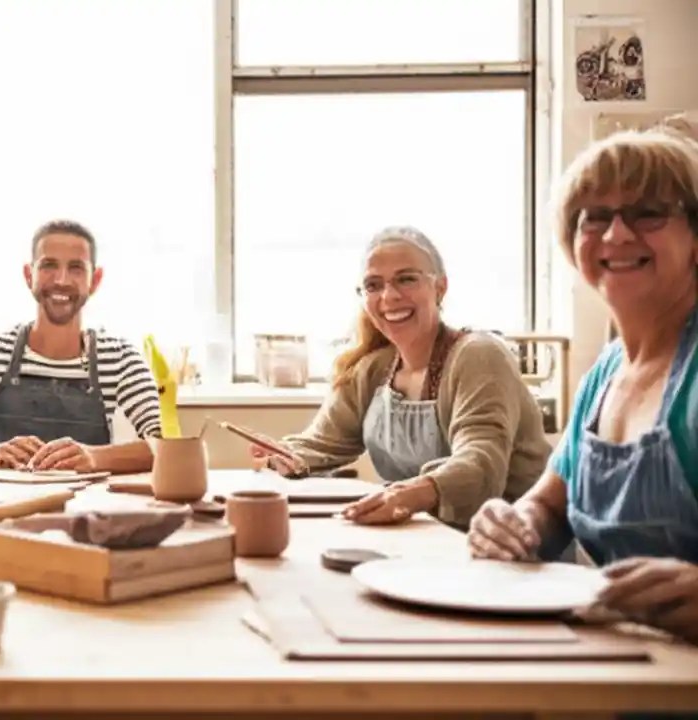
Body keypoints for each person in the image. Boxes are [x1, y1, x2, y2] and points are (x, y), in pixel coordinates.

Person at [468, 129, 698, 644]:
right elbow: (551, 505)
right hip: (628, 660)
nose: (616, 235)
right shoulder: (606, 373)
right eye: (593, 217)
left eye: (648, 212)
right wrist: (514, 524)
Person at [247, 226, 551, 528]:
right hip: (428, 536)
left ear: (440, 287)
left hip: (513, 538)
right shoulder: (374, 368)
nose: (389, 296)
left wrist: (412, 495)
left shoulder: (479, 355)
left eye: (406, 279)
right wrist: (281, 455)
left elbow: (481, 462)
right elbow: (321, 444)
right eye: (373, 285)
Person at [0, 220, 161, 473]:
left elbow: (166, 446)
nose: (61, 280)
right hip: (4, 499)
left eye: (76, 268)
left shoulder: (120, 359)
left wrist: (96, 457)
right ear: (29, 275)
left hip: (90, 500)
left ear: (94, 280)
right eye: (49, 265)